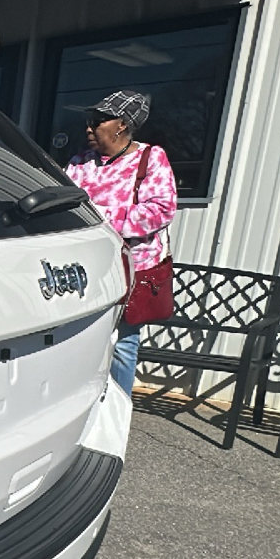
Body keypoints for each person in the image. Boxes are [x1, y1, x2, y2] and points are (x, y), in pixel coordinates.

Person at [65, 90, 177, 394]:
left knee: (123, 346)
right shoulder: (79, 163)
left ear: (122, 125)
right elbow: (64, 207)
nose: (89, 127)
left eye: (99, 120)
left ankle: (114, 416)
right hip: (86, 268)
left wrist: (98, 220)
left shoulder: (151, 158)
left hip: (132, 270)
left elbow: (160, 210)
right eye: (89, 120)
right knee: (79, 342)